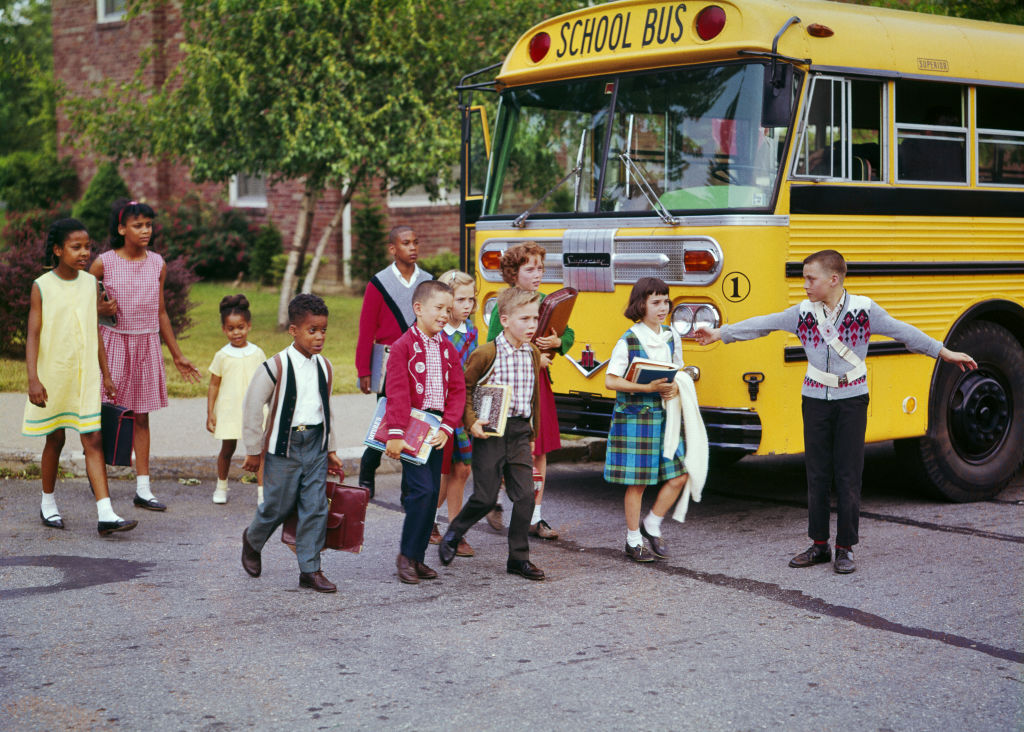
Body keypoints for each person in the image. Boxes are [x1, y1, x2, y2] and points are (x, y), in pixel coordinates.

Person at [695, 249, 977, 574]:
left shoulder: (864, 310)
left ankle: (845, 547)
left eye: (810, 279)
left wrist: (944, 352)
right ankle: (819, 545)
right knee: (816, 474)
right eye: (804, 279)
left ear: (833, 279)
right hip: (814, 398)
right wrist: (720, 333)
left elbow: (904, 332)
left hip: (852, 399)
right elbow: (763, 325)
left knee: (848, 473)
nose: (805, 285)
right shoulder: (802, 313)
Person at [23, 218, 138, 536]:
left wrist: (107, 373)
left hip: (85, 375)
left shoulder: (90, 284)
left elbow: (94, 329)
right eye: (76, 247)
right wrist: (33, 379)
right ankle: (48, 503)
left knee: (93, 439)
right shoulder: (42, 286)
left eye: (88, 247)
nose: (85, 252)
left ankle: (106, 514)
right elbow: (33, 334)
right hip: (53, 374)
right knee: (55, 438)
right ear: (58, 250)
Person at [90, 199, 202, 512]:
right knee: (104, 414)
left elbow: (161, 311)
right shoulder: (103, 263)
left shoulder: (157, 264)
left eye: (148, 225)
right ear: (121, 229)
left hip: (146, 345)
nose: (145, 231)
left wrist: (177, 355)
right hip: (113, 344)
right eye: (137, 225)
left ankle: (143, 488)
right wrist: (99, 307)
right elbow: (83, 306)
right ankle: (98, 479)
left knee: (141, 416)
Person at [440, 287, 547, 581]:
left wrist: (532, 433)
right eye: (524, 319)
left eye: (534, 318)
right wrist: (471, 421)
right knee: (486, 497)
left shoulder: (533, 353)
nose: (531, 325)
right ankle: (455, 532)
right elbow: (464, 388)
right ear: (505, 319)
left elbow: (533, 397)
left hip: (519, 431)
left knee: (525, 496)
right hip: (491, 431)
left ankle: (518, 559)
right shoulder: (487, 353)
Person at [240, 294, 343, 593]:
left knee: (315, 507)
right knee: (277, 505)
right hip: (284, 446)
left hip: (316, 445)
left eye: (323, 330)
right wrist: (253, 451)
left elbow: (326, 409)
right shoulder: (275, 366)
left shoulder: (325, 367)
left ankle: (310, 570)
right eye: (312, 330)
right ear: (294, 330)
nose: (319, 336)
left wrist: (331, 448)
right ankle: (253, 540)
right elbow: (252, 408)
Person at [486, 241, 573, 540]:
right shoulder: (504, 305)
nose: (537, 274)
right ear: (513, 273)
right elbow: (493, 346)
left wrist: (558, 342)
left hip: (538, 386)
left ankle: (535, 517)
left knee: (540, 450)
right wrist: (535, 356)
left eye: (540, 268)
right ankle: (495, 498)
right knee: (504, 449)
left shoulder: (547, 301)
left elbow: (568, 332)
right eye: (530, 269)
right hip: (511, 386)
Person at [382, 280, 467, 584]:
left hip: (437, 431)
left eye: (448, 309)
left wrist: (447, 426)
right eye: (439, 308)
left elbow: (457, 390)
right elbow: (396, 392)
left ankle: (417, 558)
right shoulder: (403, 346)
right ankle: (406, 556)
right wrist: (395, 433)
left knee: (432, 495)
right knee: (422, 491)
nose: (445, 315)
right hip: (410, 429)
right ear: (418, 308)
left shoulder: (447, 348)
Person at [604, 277, 689, 563]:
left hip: (665, 416)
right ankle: (633, 540)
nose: (663, 308)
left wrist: (675, 387)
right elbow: (610, 381)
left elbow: (679, 372)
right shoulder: (629, 340)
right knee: (638, 482)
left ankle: (651, 523)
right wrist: (647, 388)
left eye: (666, 301)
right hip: (635, 419)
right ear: (641, 305)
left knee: (680, 474)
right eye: (656, 302)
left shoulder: (671, 335)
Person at [355, 226, 433, 497]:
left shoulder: (427, 281)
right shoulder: (379, 283)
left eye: (416, 242)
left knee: (417, 420)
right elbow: (366, 329)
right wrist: (364, 370)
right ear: (392, 249)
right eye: (406, 243)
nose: (413, 247)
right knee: (388, 419)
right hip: (389, 364)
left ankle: (407, 486)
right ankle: (368, 467)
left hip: (421, 362)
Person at [428, 270, 478, 558]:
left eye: (471, 299)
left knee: (463, 469)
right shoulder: (436, 332)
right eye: (461, 300)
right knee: (442, 471)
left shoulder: (471, 330)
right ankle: (429, 519)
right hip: (441, 410)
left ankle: (455, 532)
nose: (467, 305)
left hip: (464, 409)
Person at [206, 294, 267, 505]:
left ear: (248, 326)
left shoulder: (257, 353)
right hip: (230, 410)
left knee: (259, 451)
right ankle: (221, 486)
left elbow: (266, 381)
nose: (236, 332)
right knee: (227, 449)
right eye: (231, 328)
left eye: (240, 327)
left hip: (254, 409)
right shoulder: (222, 355)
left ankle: (262, 493)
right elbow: (214, 385)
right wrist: (210, 412)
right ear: (224, 329)